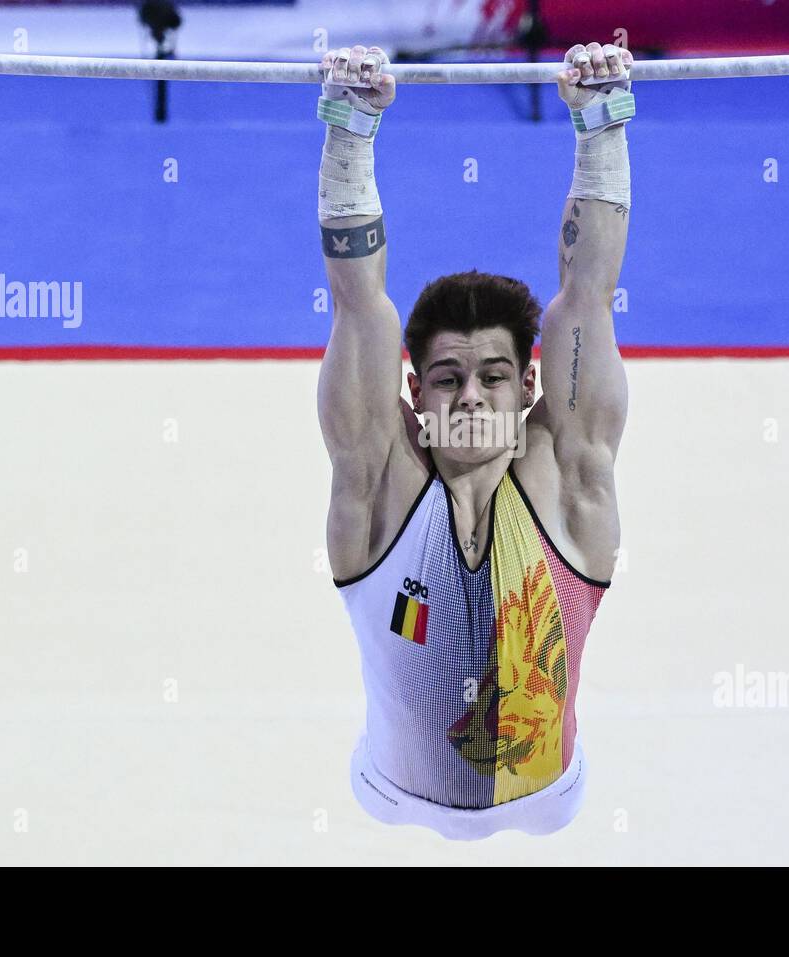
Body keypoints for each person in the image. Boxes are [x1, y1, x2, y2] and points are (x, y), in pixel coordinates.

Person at [316, 40, 633, 840]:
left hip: (549, 794)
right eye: (448, 376)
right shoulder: (377, 479)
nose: (471, 394)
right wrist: (351, 127)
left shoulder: (567, 472)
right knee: (368, 320)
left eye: (494, 374)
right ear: (413, 392)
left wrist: (601, 124)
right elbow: (360, 306)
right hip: (393, 789)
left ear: (530, 387)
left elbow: (587, 298)